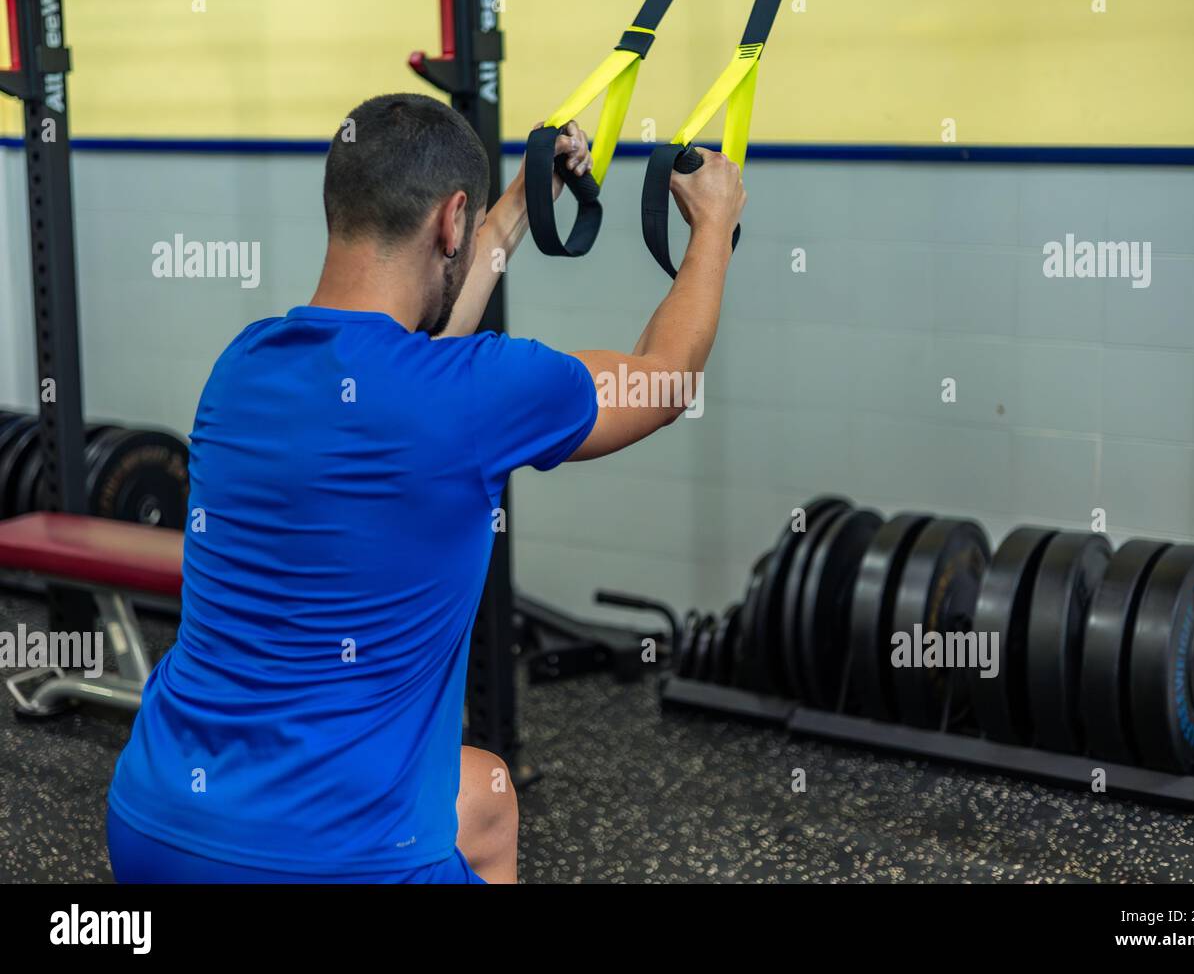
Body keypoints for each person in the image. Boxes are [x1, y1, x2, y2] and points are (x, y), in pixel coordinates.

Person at [105, 93, 746, 884]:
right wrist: (713, 226)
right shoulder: (479, 390)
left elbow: (409, 362)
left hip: (152, 823)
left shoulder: (242, 366)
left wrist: (511, 212)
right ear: (451, 223)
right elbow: (664, 382)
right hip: (340, 864)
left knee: (485, 793)